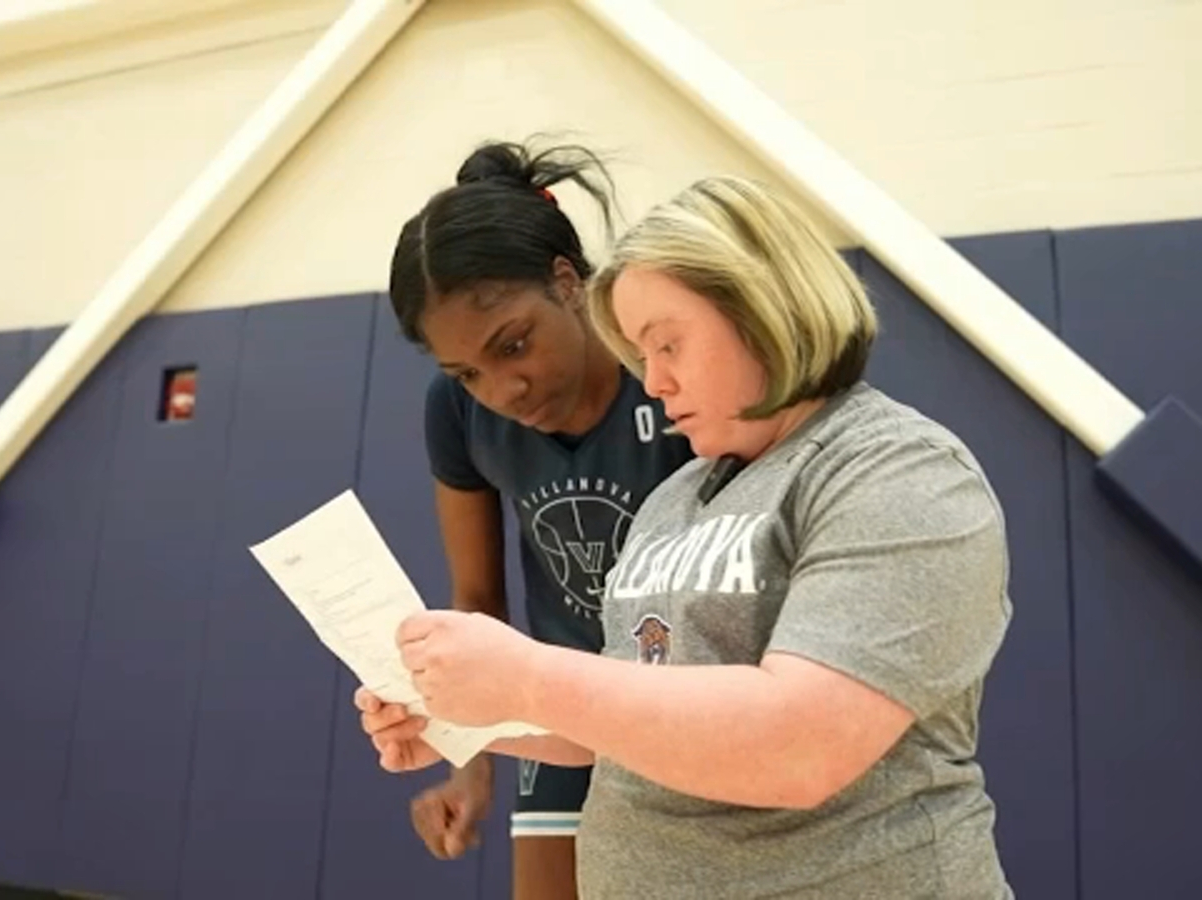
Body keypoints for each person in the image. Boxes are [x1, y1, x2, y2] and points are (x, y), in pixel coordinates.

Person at [360, 174, 1016, 898]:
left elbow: (798, 748)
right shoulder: (678, 496)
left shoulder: (900, 471)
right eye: (642, 354)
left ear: (762, 310)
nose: (654, 380)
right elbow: (619, 725)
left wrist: (525, 675)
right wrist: (460, 720)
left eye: (667, 345)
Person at [384, 139, 696, 899]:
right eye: (466, 372)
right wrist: (471, 757)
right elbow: (478, 604)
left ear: (568, 282)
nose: (503, 390)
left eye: (512, 345)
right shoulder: (456, 415)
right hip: (561, 709)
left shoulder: (669, 375)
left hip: (694, 701)